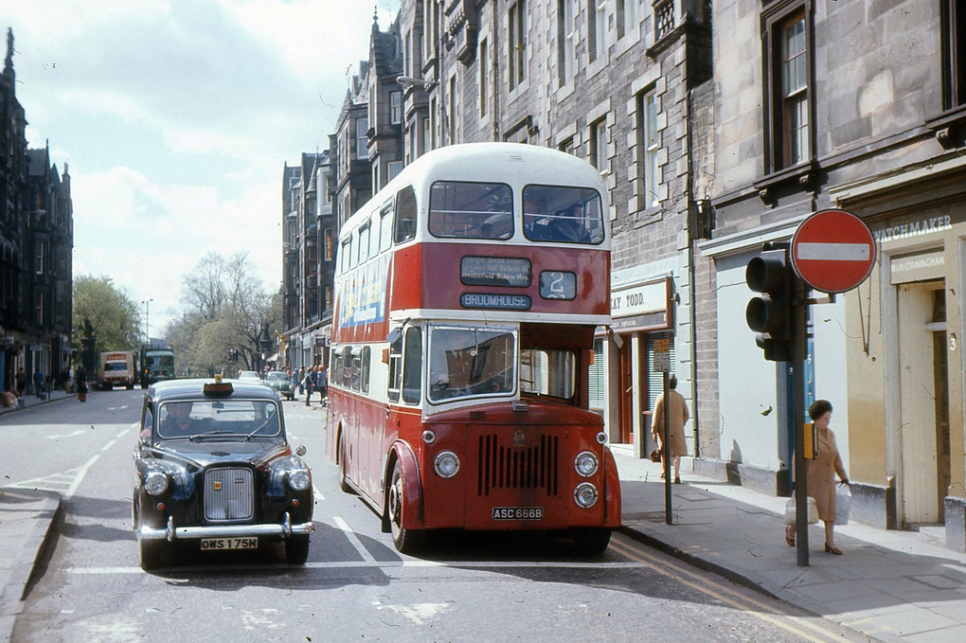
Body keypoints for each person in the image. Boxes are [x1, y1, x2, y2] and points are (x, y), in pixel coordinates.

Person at [785, 399, 850, 554]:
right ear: (817, 418)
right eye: (825, 419)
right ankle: (791, 530)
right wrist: (795, 481)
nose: (828, 422)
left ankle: (830, 543)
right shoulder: (808, 434)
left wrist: (843, 476)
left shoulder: (831, 434)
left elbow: (836, 456)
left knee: (829, 514)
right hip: (811, 481)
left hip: (828, 481)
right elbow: (796, 459)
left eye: (829, 418)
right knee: (806, 513)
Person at [651, 374, 689, 484]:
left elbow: (656, 415)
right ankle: (676, 474)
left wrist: (654, 430)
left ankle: (664, 471)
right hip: (677, 427)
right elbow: (686, 414)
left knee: (664, 450)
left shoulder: (661, 397)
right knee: (677, 452)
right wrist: (681, 423)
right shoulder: (680, 397)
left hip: (664, 427)